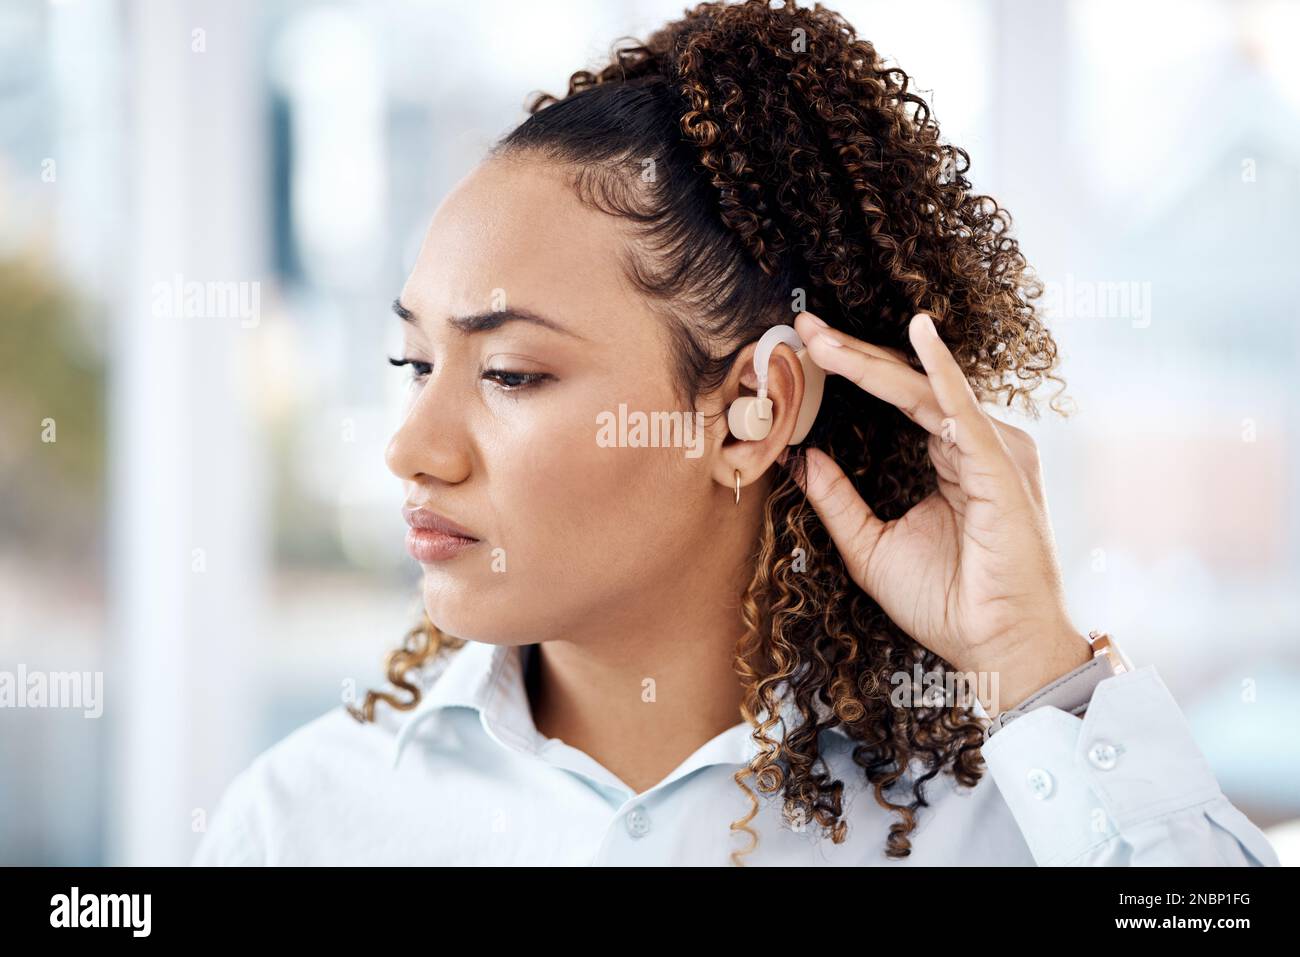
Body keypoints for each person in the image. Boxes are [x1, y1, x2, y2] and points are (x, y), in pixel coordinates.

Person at [192, 0, 1280, 866]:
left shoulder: (1010, 822)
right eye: (417, 365)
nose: (413, 448)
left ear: (755, 410)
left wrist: (1034, 664)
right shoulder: (302, 823)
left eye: (511, 372)